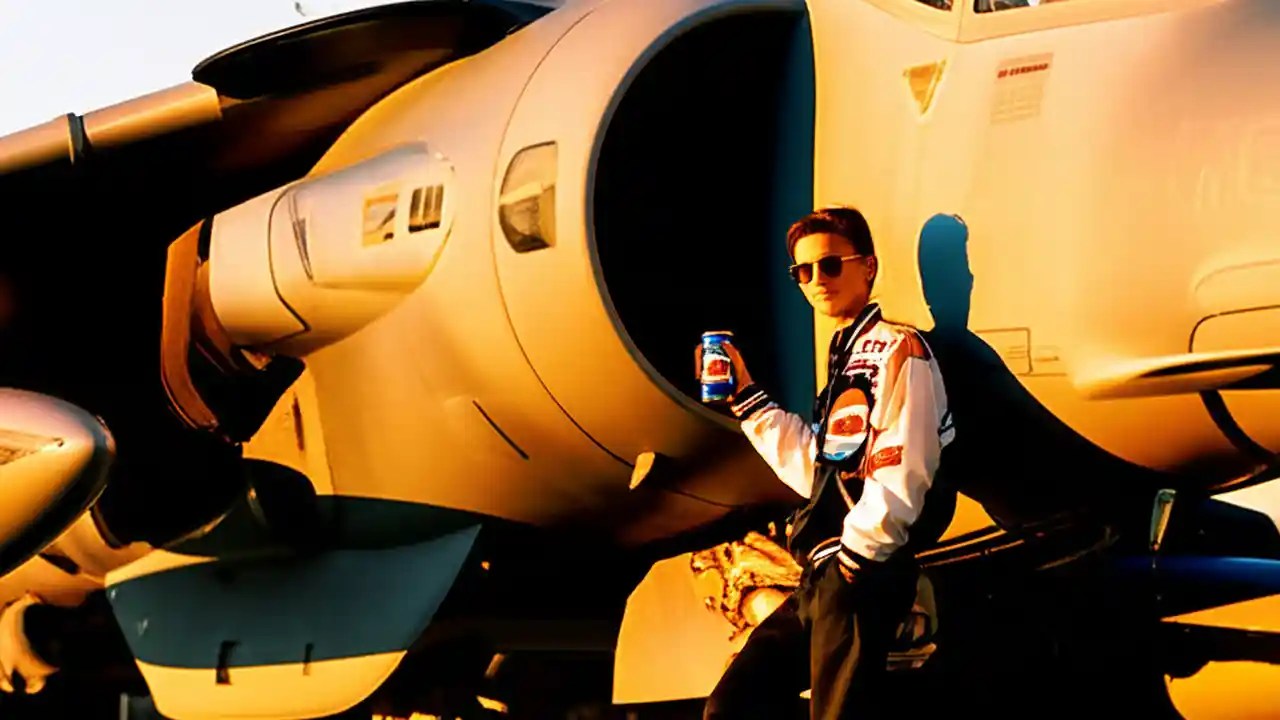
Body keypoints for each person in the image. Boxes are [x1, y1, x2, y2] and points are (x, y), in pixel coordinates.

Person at [700, 207, 956, 720]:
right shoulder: (845, 358)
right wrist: (746, 398)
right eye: (803, 271)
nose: (817, 279)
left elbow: (906, 469)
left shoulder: (899, 350)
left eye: (831, 264)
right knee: (730, 704)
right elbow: (820, 473)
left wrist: (856, 562)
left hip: (859, 573)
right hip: (820, 577)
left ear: (869, 267)